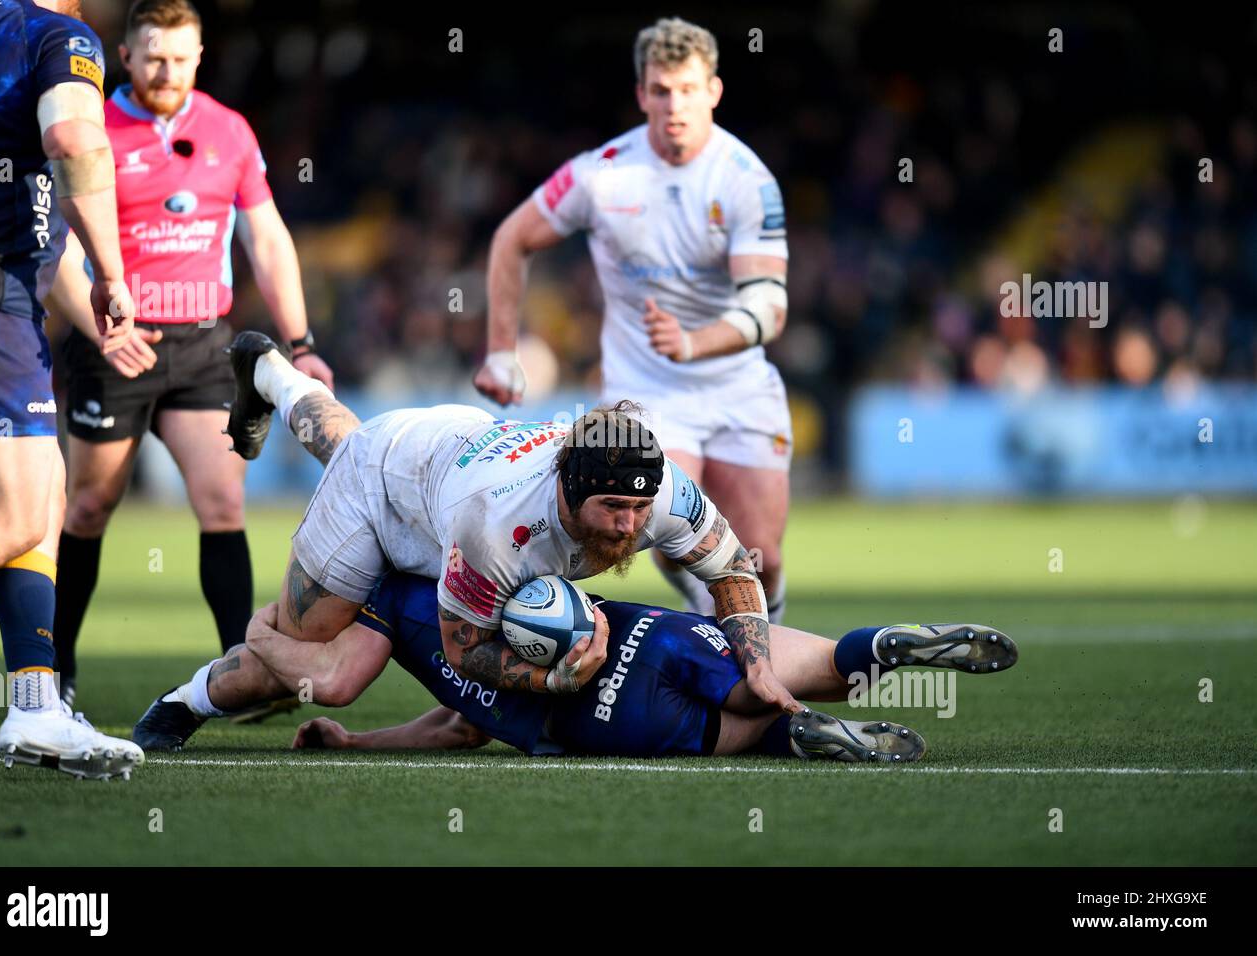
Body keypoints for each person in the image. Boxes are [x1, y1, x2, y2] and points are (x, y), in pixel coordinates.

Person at [131, 328, 801, 746]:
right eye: (612, 510)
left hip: (443, 448)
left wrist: (758, 659)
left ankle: (273, 377)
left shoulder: (662, 491)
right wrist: (552, 680)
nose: (631, 528)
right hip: (383, 492)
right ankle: (189, 697)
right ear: (567, 488)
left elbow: (735, 572)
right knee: (319, 672)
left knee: (350, 440)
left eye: (638, 510)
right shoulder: (499, 530)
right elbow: (464, 649)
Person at [45, 0, 333, 711]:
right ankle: (54, 670)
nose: (167, 69)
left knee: (221, 501)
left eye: (181, 56)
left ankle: (245, 672)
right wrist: (98, 326)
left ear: (199, 57)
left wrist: (302, 345)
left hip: (205, 344)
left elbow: (266, 240)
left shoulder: (229, 131)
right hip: (113, 343)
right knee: (87, 508)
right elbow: (59, 245)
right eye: (154, 55)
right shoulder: (92, 128)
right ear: (127, 57)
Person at [475, 17, 792, 626]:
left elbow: (768, 308)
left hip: (739, 388)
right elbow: (512, 238)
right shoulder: (602, 173)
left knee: (762, 558)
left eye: (688, 89)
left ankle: (763, 626)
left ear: (714, 91)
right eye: (661, 90)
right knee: (669, 529)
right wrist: (498, 351)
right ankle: (726, 637)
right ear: (642, 93)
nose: (675, 105)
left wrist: (694, 342)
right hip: (646, 394)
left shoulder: (747, 180)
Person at [140, 568, 1018, 762]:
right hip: (645, 630)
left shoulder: (385, 608)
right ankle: (886, 651)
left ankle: (796, 739)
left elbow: (453, 724)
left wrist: (349, 734)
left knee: (743, 734)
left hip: (593, 717)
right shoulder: (483, 540)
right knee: (815, 660)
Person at [0, 0, 144, 779]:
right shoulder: (55, 36)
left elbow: (40, 227)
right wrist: (114, 270)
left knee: (45, 494)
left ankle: (36, 708)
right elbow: (73, 141)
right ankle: (35, 709)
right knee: (15, 508)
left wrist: (92, 312)